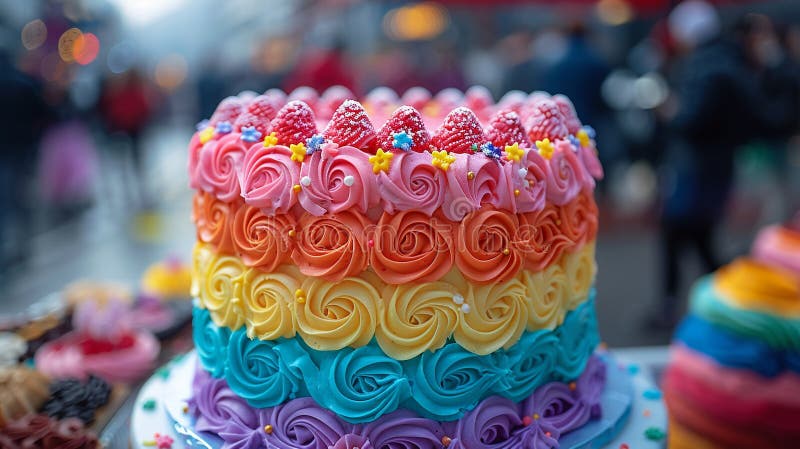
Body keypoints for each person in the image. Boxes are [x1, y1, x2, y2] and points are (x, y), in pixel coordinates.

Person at [652, 1, 759, 328]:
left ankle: (718, 305)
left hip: (695, 170)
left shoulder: (706, 65)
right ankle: (724, 303)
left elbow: (690, 119)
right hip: (712, 166)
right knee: (699, 238)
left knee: (680, 233)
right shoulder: (727, 60)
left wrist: (667, 109)